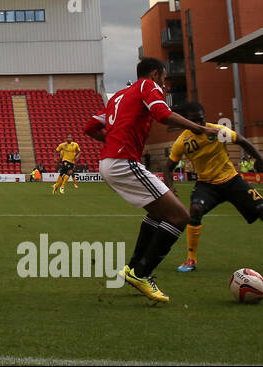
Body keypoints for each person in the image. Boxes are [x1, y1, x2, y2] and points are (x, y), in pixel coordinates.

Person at [84, 58, 219, 303]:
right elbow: (161, 113)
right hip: (123, 162)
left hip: (112, 161)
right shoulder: (148, 86)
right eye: (165, 79)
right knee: (180, 217)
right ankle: (142, 273)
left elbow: (91, 127)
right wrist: (199, 128)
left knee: (159, 214)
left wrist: (113, 142)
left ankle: (134, 268)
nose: (165, 86)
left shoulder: (119, 96)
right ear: (155, 74)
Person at [167, 102, 263, 277]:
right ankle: (191, 259)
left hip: (232, 180)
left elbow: (244, 142)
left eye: (202, 119)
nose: (200, 124)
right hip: (206, 184)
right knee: (195, 210)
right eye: (195, 121)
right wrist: (170, 186)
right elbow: (168, 166)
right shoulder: (183, 141)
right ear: (187, 121)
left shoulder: (217, 131)